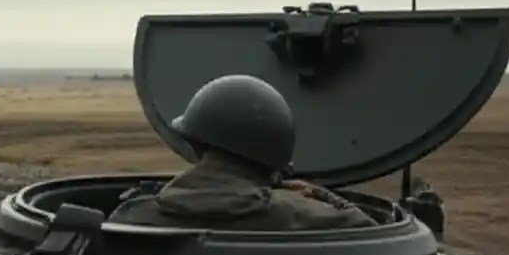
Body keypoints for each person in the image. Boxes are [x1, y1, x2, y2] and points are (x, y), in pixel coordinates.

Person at [108, 74, 379, 232]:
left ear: (196, 143)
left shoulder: (134, 216)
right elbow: (367, 228)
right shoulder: (299, 215)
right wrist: (323, 196)